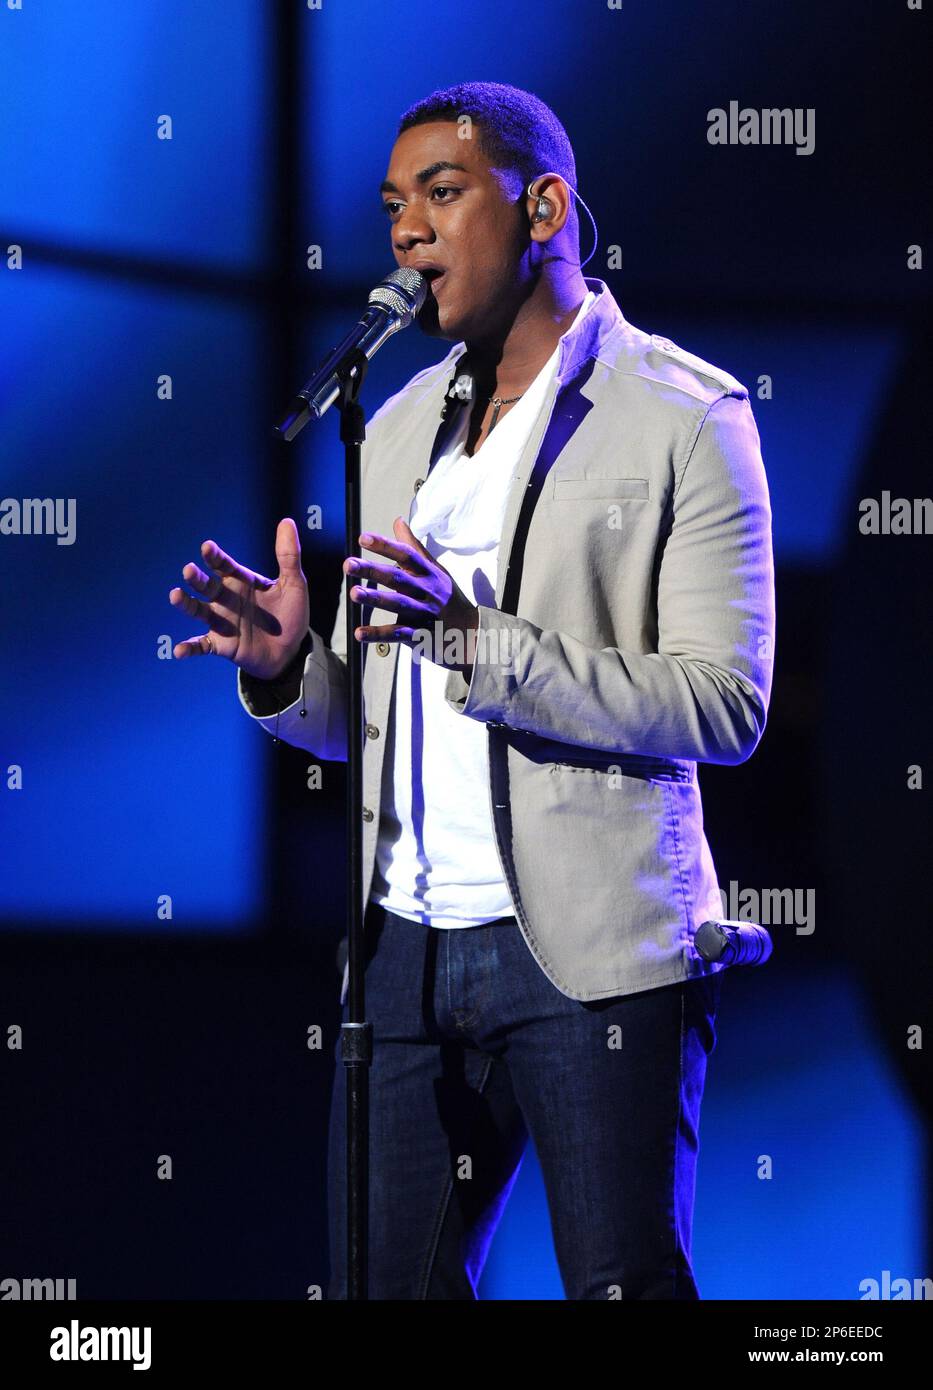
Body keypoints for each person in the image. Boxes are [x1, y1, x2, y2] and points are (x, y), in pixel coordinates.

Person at [168, 82, 775, 1300]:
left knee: (622, 1283)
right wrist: (289, 667)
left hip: (596, 956)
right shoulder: (393, 431)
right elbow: (375, 726)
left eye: (443, 194)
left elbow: (726, 703)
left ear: (545, 205)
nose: (407, 231)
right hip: (403, 952)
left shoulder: (683, 416)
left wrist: (477, 643)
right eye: (395, 206)